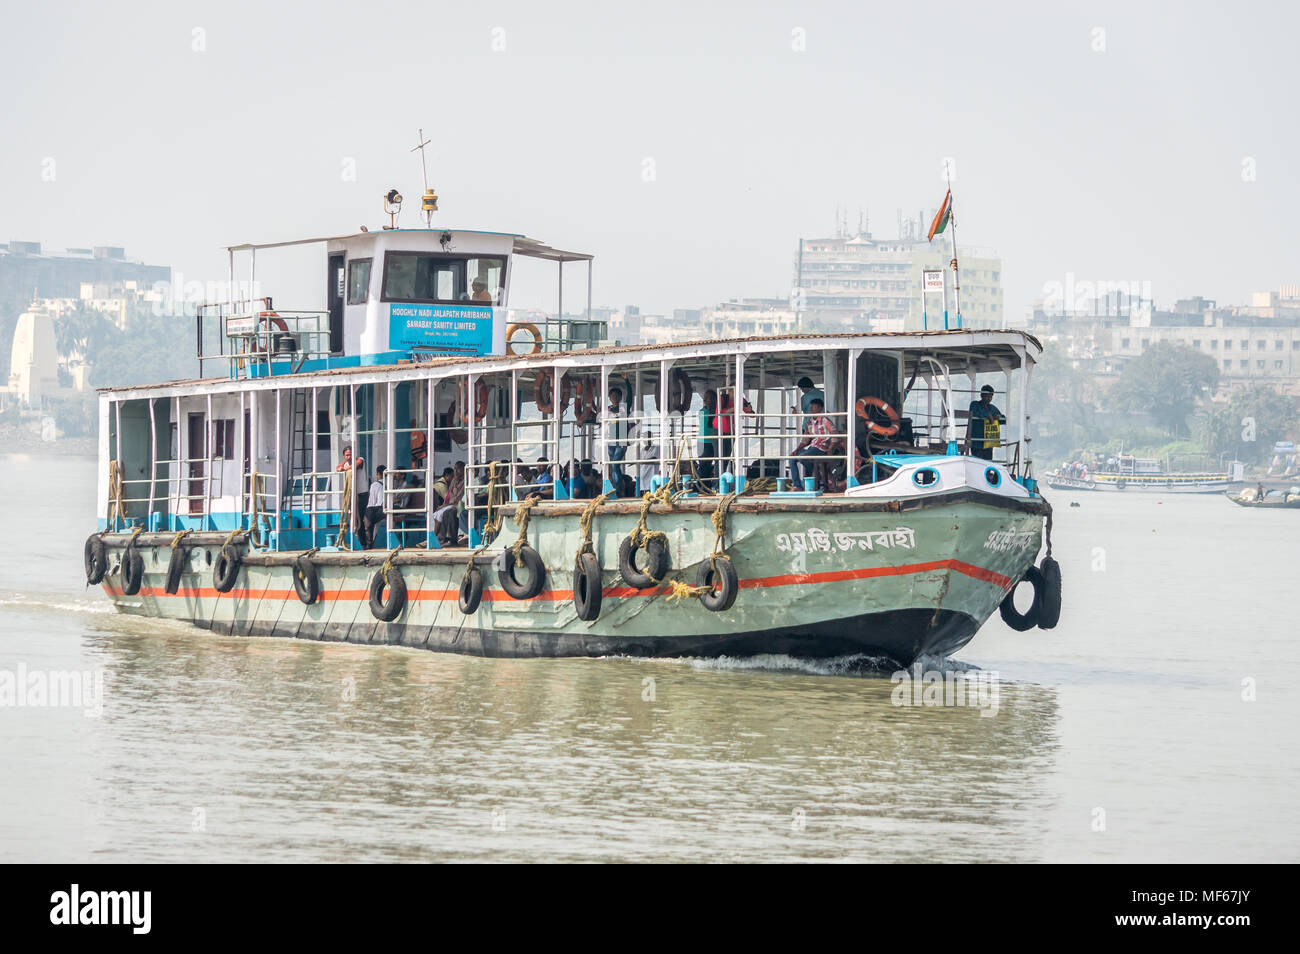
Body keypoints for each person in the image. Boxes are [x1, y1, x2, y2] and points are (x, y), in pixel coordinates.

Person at [790, 398, 834, 487]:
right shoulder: (809, 422)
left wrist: (830, 448)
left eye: (813, 407)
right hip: (812, 448)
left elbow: (835, 434)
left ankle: (815, 478)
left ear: (819, 408)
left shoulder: (825, 420)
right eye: (811, 407)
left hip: (821, 448)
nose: (811, 409)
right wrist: (796, 450)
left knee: (803, 457)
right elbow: (805, 440)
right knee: (792, 458)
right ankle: (797, 486)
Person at [605, 386, 634, 491]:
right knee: (613, 466)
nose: (615, 398)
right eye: (612, 396)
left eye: (617, 396)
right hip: (611, 440)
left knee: (615, 465)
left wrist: (627, 382)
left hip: (622, 440)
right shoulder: (607, 409)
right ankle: (618, 488)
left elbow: (630, 396)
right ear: (609, 397)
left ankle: (618, 489)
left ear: (621, 397)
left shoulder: (624, 408)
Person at [966, 384, 1003, 461]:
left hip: (989, 443)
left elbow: (1003, 419)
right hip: (977, 443)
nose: (989, 398)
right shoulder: (975, 404)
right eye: (987, 395)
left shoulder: (992, 408)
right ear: (981, 395)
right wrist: (988, 416)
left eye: (991, 396)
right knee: (978, 463)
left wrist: (998, 417)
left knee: (988, 464)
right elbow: (975, 412)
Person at [362, 465, 386, 549]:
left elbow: (371, 502)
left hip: (377, 510)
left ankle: (369, 543)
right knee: (373, 522)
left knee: (368, 519)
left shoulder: (375, 485)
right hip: (386, 509)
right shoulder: (390, 484)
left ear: (378, 474)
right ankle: (371, 542)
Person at [698, 389, 719, 480]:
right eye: (705, 398)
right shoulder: (706, 412)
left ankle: (704, 484)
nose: (704, 400)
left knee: (705, 465)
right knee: (704, 465)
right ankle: (703, 484)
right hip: (706, 442)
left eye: (707, 398)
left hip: (706, 442)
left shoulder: (704, 412)